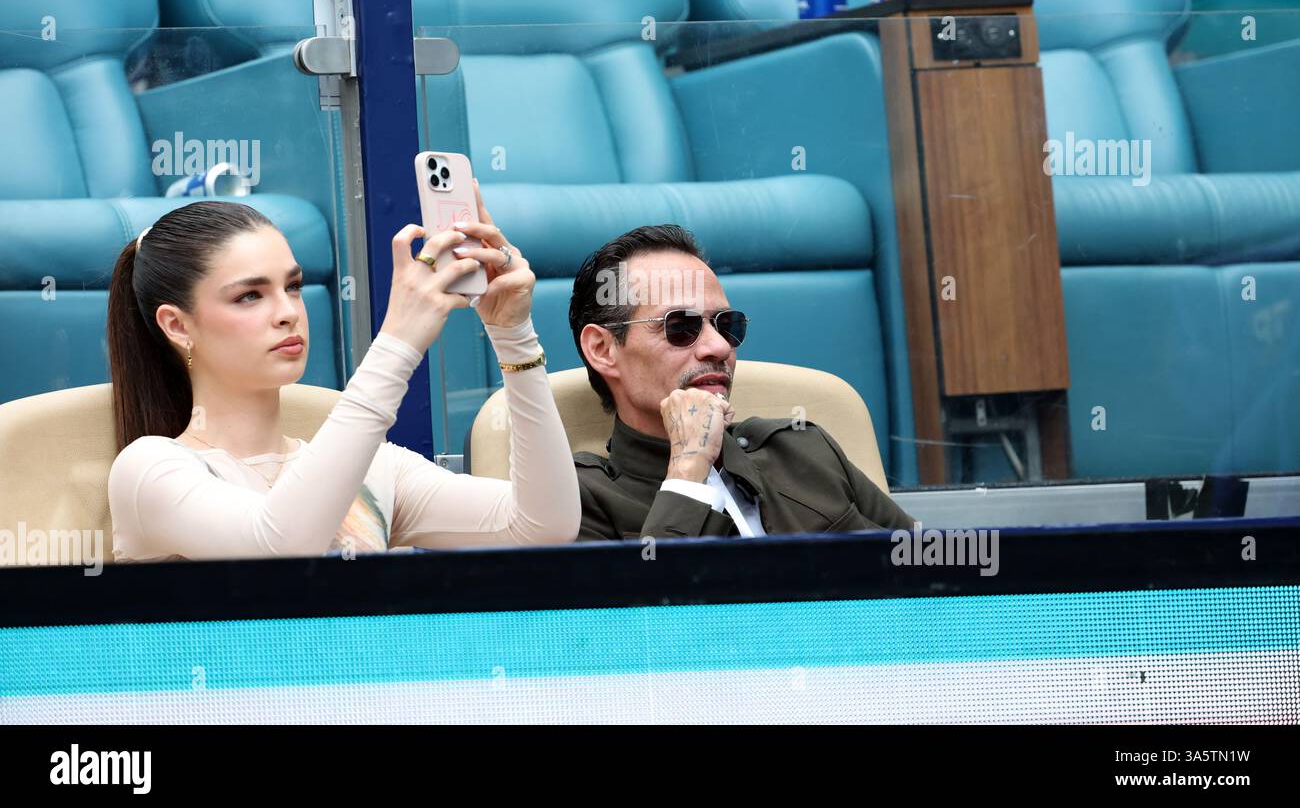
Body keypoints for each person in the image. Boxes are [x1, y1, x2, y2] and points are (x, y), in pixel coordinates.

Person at [107, 185, 579, 561]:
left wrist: (512, 334)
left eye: (293, 286)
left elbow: (543, 528)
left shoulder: (375, 468)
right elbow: (281, 548)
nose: (288, 311)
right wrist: (397, 341)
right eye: (250, 295)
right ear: (177, 324)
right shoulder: (150, 468)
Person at [567, 224, 916, 540]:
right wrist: (687, 472)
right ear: (603, 349)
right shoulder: (576, 501)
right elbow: (653, 609)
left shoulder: (803, 450)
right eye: (680, 326)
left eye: (726, 324)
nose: (720, 346)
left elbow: (930, 572)